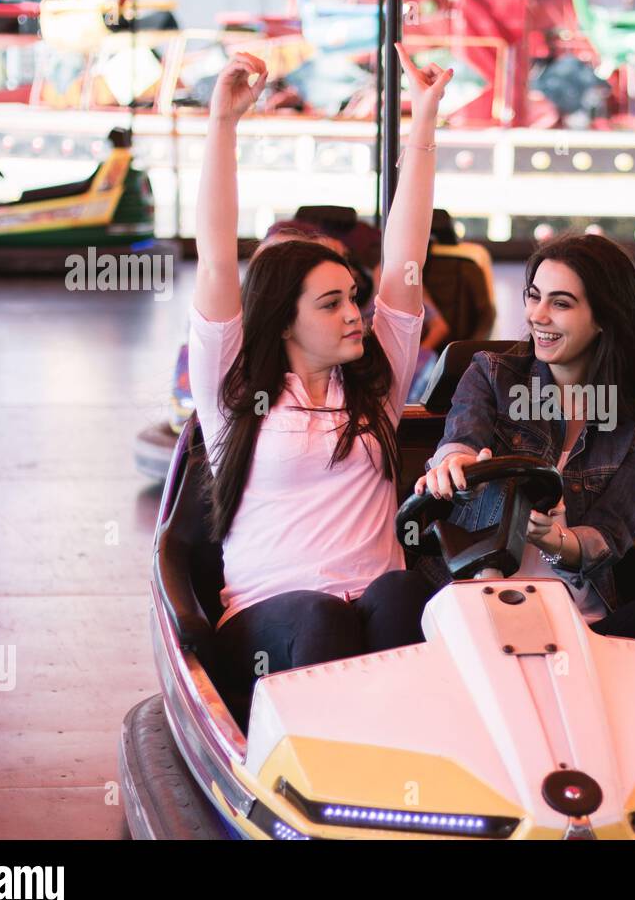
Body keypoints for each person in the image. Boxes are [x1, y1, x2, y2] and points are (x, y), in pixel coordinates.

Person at [189, 47, 451, 705]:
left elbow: (405, 254)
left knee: (402, 592)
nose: (355, 314)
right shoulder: (234, 394)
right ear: (282, 320)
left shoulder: (375, 388)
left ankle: (409, 762)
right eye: (330, 304)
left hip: (370, 606)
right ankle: (315, 773)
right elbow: (218, 258)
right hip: (269, 618)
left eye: (354, 298)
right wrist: (222, 125)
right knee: (319, 614)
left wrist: (422, 122)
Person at [405, 233, 635, 652]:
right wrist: (453, 464)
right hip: (479, 612)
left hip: (580, 629)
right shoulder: (493, 376)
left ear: (604, 316)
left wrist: (557, 542)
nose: (538, 315)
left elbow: (610, 536)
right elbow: (461, 438)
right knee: (396, 593)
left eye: (561, 303)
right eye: (533, 297)